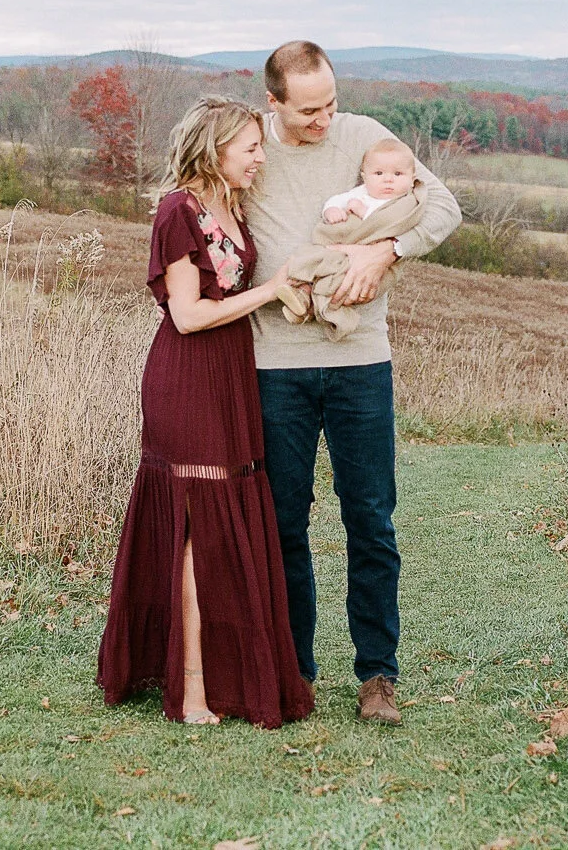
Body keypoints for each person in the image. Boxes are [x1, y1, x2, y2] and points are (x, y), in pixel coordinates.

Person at [246, 42, 461, 724]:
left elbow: (443, 206)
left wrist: (385, 248)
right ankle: (294, 672)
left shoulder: (367, 138)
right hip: (274, 364)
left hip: (360, 360)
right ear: (273, 102)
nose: (325, 119)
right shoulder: (251, 150)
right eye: (309, 109)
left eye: (331, 102)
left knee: (369, 517)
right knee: (283, 523)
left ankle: (377, 677)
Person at [96, 97, 314, 729]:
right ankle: (190, 689)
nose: (260, 157)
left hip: (231, 378)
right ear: (215, 147)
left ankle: (230, 676)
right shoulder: (177, 212)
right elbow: (187, 316)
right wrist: (270, 292)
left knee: (226, 519)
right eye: (250, 147)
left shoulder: (230, 207)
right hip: (187, 379)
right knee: (194, 524)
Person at [278, 137, 428, 341]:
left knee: (345, 279)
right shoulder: (362, 192)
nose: (388, 179)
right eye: (379, 173)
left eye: (398, 174)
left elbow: (386, 223)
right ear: (364, 177)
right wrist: (331, 210)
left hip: (370, 254)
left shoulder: (406, 202)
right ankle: (303, 297)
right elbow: (339, 200)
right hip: (341, 243)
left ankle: (319, 308)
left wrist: (361, 211)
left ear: (413, 178)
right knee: (318, 258)